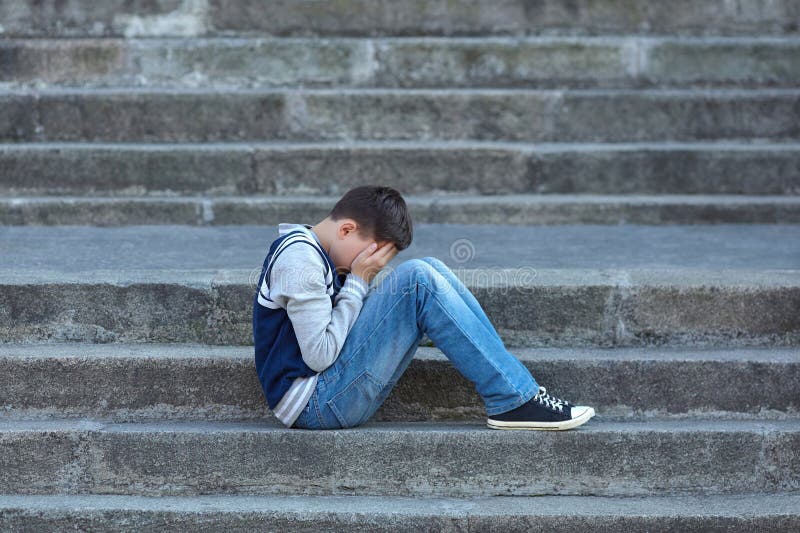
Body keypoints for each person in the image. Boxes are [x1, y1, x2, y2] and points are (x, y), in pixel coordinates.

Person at [252, 185, 595, 430]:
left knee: (430, 268)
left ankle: (517, 391)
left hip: (330, 390)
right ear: (346, 229)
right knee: (417, 279)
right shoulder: (301, 262)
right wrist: (358, 281)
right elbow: (320, 355)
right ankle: (513, 398)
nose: (373, 265)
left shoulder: (321, 255)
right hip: (314, 405)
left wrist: (359, 280)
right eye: (372, 255)